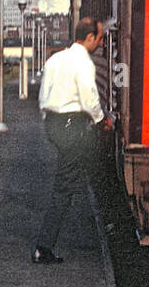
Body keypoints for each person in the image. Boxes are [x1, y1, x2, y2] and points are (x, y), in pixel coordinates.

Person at [32, 16, 110, 264]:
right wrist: (100, 120)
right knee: (64, 187)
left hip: (53, 124)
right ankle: (43, 248)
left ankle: (111, 221)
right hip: (71, 126)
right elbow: (89, 97)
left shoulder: (56, 58)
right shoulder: (83, 62)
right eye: (99, 38)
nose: (100, 43)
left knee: (94, 166)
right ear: (89, 38)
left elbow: (43, 98)